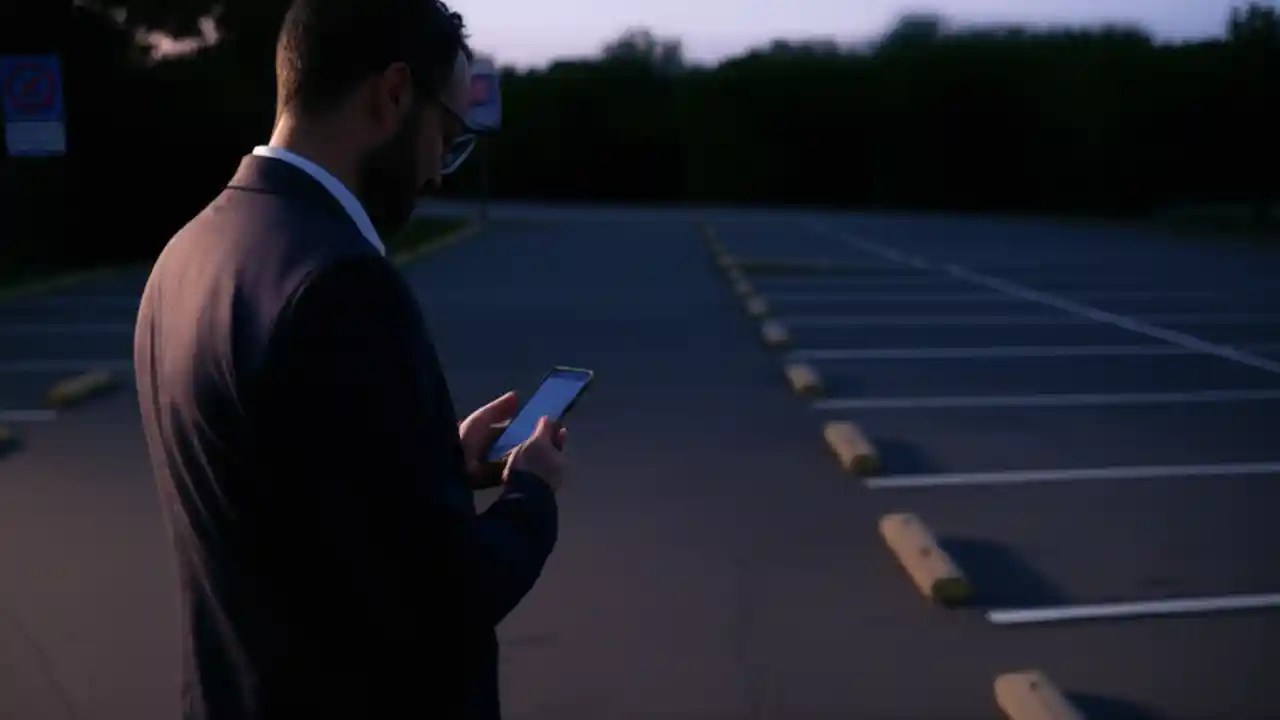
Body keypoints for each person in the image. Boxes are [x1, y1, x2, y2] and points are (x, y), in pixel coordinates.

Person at [132, 1, 564, 718]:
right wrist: (533, 493)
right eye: (447, 136)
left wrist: (435, 469)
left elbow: (296, 509)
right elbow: (443, 597)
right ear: (394, 94)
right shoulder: (341, 283)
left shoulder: (191, 251)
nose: (438, 170)